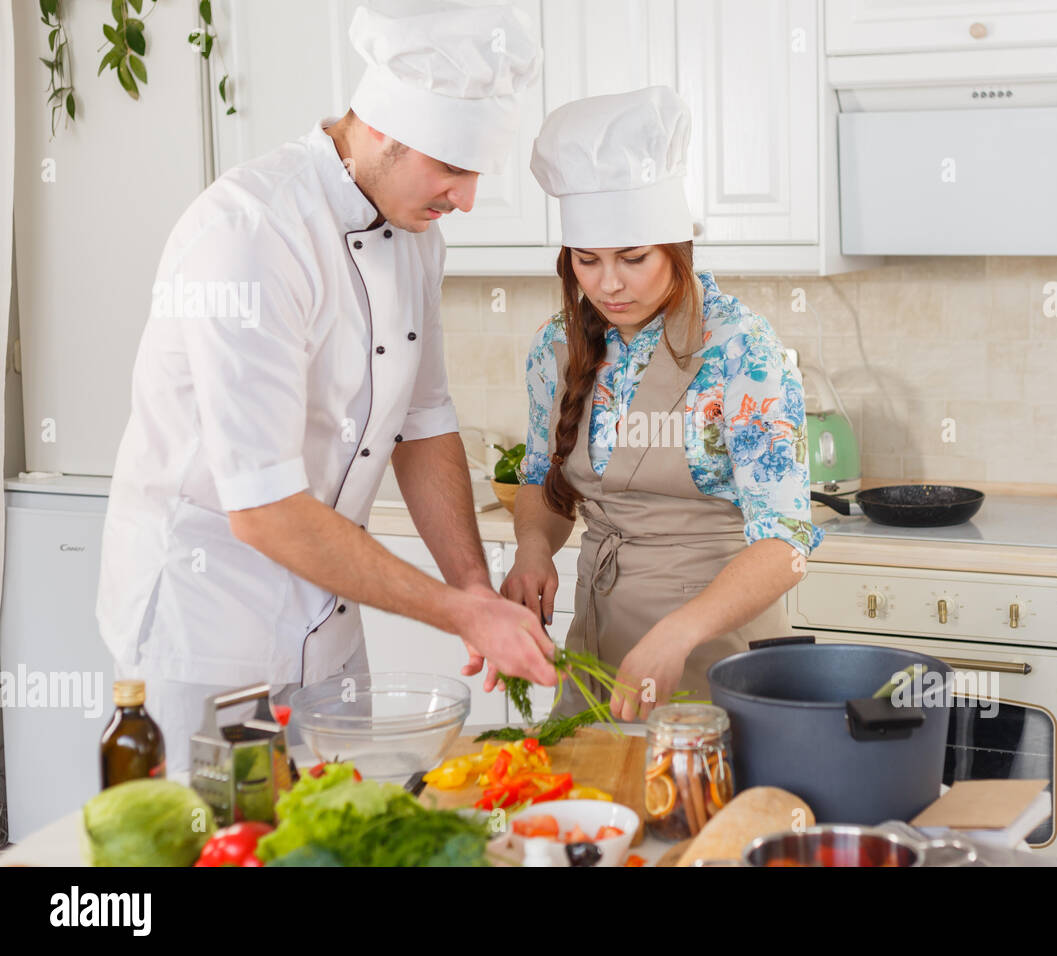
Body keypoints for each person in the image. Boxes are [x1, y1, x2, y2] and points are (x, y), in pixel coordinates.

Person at [96, 5, 555, 771]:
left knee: (340, 838)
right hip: (211, 633)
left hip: (332, 623)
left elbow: (424, 420)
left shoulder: (416, 238)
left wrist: (476, 588)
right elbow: (264, 509)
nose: (467, 199)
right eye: (452, 169)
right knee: (216, 843)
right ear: (385, 130)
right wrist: (458, 613)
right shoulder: (250, 236)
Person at [500, 86, 823, 721]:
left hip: (715, 654)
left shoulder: (741, 352)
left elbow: (785, 542)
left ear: (678, 245)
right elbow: (541, 479)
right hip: (592, 651)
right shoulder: (555, 350)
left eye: (634, 258)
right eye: (587, 261)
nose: (608, 284)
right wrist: (533, 551)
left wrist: (680, 631)